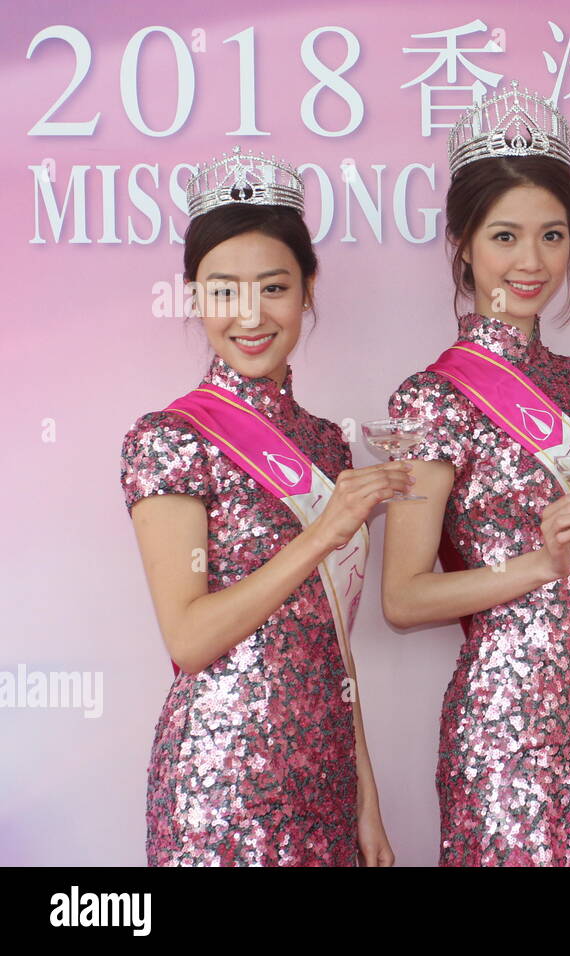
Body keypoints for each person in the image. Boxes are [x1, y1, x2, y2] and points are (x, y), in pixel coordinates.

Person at [381, 82, 570, 865]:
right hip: (506, 727)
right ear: (462, 242)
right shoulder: (433, 398)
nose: (531, 263)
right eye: (505, 237)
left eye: (553, 236)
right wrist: (535, 566)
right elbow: (403, 596)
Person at [121, 146, 403, 865]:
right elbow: (189, 638)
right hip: (221, 784)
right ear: (195, 296)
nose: (250, 315)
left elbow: (334, 644)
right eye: (223, 291)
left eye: (273, 288)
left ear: (308, 290)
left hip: (326, 778)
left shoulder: (326, 447)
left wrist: (368, 802)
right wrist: (322, 533)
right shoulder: (171, 438)